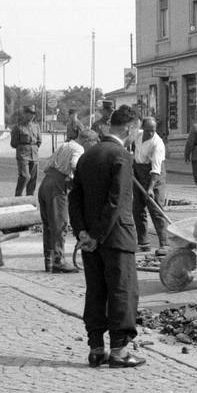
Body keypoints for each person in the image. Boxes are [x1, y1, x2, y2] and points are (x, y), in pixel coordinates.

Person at [68, 104, 145, 368]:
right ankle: (119, 352)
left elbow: (74, 196)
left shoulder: (88, 155)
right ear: (130, 128)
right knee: (123, 292)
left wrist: (83, 233)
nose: (137, 135)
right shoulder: (121, 156)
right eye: (137, 131)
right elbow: (118, 202)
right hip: (116, 238)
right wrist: (98, 235)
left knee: (96, 292)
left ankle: (96, 348)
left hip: (90, 240)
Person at [38, 128, 98, 273]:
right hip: (57, 187)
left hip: (46, 183)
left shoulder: (65, 145)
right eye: (93, 144)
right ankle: (58, 261)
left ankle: (49, 261)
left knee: (48, 225)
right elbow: (75, 165)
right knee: (60, 224)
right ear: (87, 141)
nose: (92, 148)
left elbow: (47, 164)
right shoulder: (79, 149)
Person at [130, 116, 169, 256]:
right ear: (143, 129)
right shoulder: (138, 135)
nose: (151, 133)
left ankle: (164, 244)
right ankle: (143, 243)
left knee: (156, 209)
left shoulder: (157, 144)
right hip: (139, 173)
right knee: (137, 209)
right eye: (148, 130)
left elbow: (156, 169)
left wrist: (151, 188)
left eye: (153, 130)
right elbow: (133, 148)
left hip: (154, 176)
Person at [11, 103, 42, 196]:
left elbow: (39, 141)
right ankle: (18, 196)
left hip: (34, 154)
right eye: (29, 113)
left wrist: (33, 147)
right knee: (25, 176)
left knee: (33, 178)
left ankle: (30, 198)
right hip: (23, 154)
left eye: (33, 113)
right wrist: (23, 147)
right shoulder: (18, 127)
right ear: (24, 114)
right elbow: (13, 143)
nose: (32, 115)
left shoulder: (36, 126)